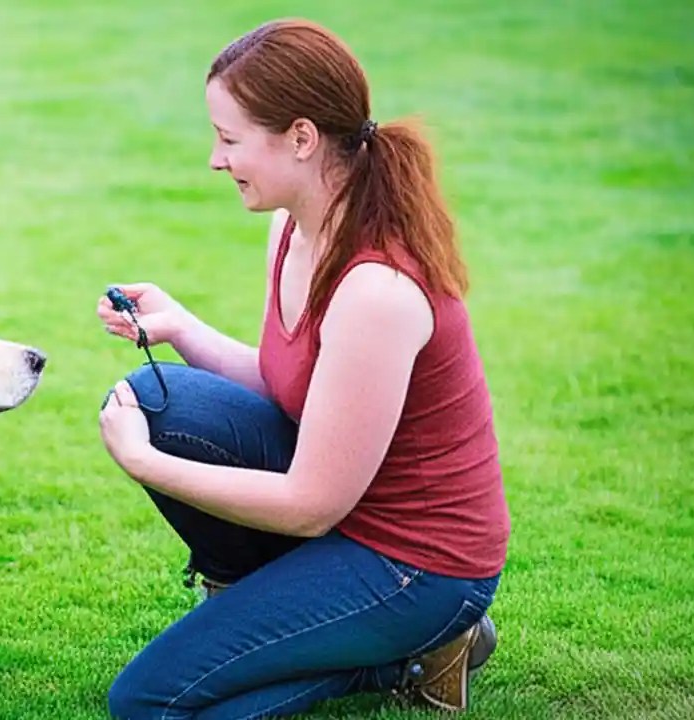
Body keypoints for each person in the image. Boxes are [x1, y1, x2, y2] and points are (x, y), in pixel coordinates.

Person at [95, 18, 510, 719]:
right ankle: (276, 608)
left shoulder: (376, 290)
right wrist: (182, 329)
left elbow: (313, 506)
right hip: (352, 520)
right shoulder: (292, 228)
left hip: (417, 566)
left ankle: (409, 655)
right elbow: (292, 388)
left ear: (301, 138)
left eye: (229, 140)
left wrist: (145, 464)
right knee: (160, 402)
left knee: (150, 704)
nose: (214, 160)